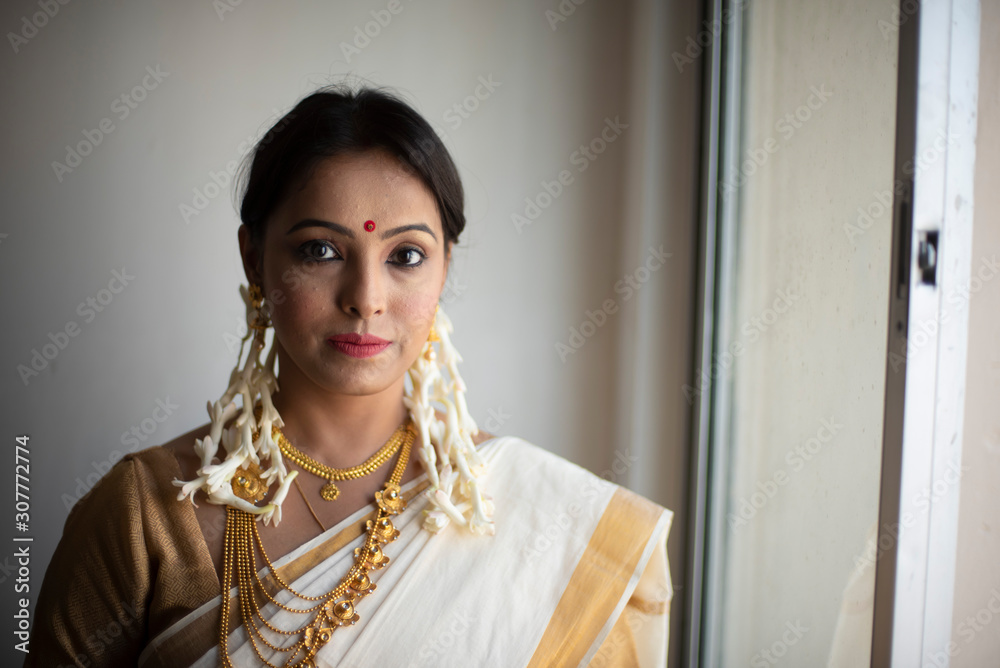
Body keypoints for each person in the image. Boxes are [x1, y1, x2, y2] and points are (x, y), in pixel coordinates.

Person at [26, 84, 673, 667]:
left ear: (445, 267)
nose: (366, 296)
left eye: (406, 256)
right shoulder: (148, 517)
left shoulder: (551, 526)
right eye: (321, 250)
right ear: (254, 260)